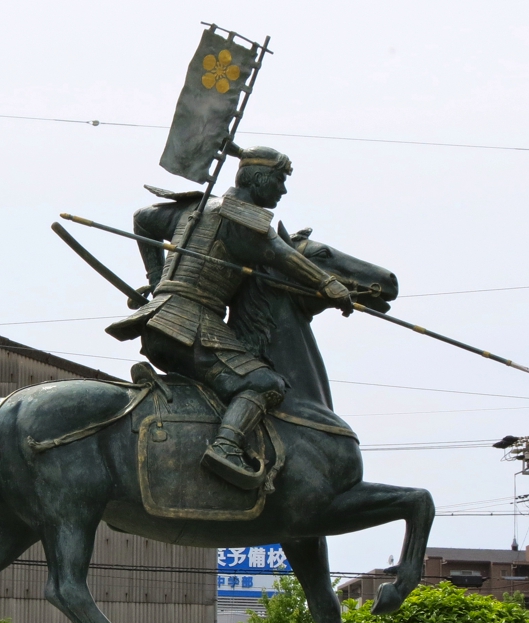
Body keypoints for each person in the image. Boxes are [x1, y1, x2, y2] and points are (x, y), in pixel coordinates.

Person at [106, 146, 352, 488]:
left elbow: (142, 219)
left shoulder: (196, 207)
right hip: (190, 327)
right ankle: (226, 447)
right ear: (260, 178)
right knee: (265, 383)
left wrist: (158, 279)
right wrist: (328, 283)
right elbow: (284, 257)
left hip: (158, 321)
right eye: (280, 181)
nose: (282, 190)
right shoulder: (245, 220)